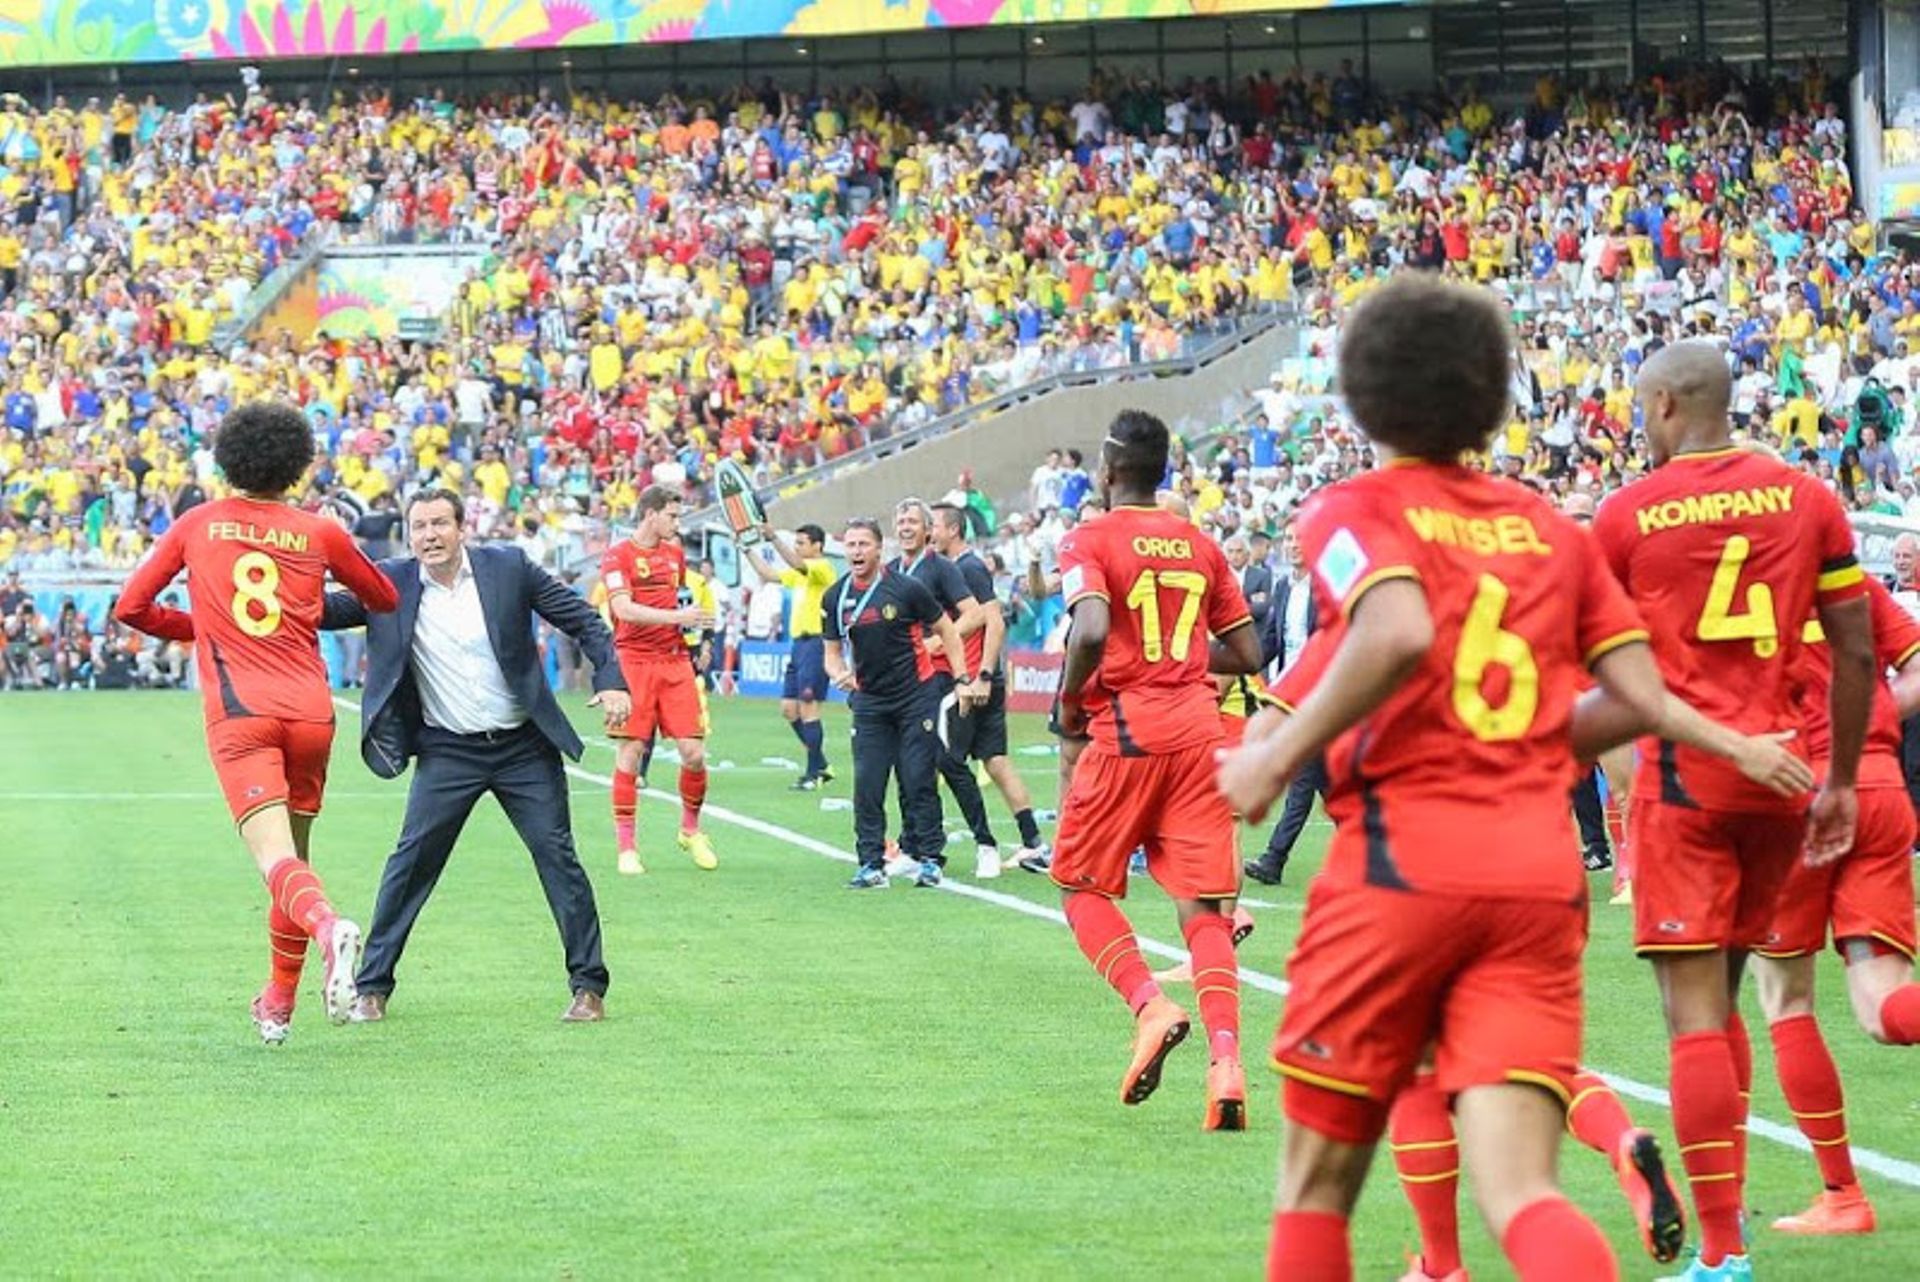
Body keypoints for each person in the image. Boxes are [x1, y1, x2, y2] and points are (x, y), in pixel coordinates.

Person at [1218, 277, 1720, 1281]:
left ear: (1358, 400)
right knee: (1523, 1191)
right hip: (1536, 878)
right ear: (1494, 400)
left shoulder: (1351, 506)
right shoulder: (1552, 529)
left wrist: (1273, 753)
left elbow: (1396, 626)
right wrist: (1532, 749)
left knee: (1315, 1186)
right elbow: (1638, 692)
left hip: (1402, 864)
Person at [1590, 341, 1876, 1282]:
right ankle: (1736, 1211)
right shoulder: (1808, 497)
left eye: (1639, 404)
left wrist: (1620, 764)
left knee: (1694, 1020)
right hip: (1786, 779)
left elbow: (1589, 661)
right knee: (1744, 994)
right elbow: (1856, 648)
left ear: (1666, 402)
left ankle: (1721, 1251)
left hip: (1688, 777)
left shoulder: (1629, 513)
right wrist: (1836, 777)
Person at [112, 400, 399, 1044]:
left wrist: (203, 628)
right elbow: (382, 597)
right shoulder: (319, 531)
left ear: (228, 458)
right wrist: (300, 611)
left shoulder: (198, 523)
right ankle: (277, 1005)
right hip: (311, 713)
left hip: (241, 712)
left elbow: (131, 606)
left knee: (276, 862)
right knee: (295, 857)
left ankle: (331, 930)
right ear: (295, 466)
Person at [321, 488, 631, 1025]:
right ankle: (371, 988)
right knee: (410, 862)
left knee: (558, 859)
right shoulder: (390, 581)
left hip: (522, 747)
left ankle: (589, 987)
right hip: (447, 749)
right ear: (408, 533)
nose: (429, 535)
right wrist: (298, 559)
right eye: (419, 526)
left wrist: (611, 679)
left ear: (463, 527)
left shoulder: (507, 568)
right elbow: (325, 609)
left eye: (440, 523)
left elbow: (585, 620)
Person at [1051, 408, 1263, 1131]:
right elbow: (1249, 652)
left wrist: (1069, 709)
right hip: (1201, 738)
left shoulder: (1088, 537)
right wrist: (1178, 660)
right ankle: (1227, 1064)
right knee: (1205, 912)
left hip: (1130, 733)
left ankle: (1151, 1005)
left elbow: (1088, 630)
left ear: (1107, 472)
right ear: (1163, 472)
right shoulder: (1201, 545)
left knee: (1079, 886)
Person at [1751, 577, 1920, 1234]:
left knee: (1785, 1000)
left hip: (1788, 792)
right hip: (1876, 783)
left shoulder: (1721, 578)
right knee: (1883, 1011)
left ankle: (1844, 1197)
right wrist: (1871, 718)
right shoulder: (1849, 580)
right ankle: (1841, 1200)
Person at [823, 517, 973, 890]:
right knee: (868, 783)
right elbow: (831, 653)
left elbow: (947, 630)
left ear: (879, 549)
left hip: (914, 698)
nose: (856, 552)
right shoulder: (835, 597)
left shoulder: (907, 589)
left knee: (918, 778)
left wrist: (962, 678)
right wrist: (839, 672)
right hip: (870, 703)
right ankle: (871, 863)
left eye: (863, 545)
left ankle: (931, 858)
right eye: (851, 545)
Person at [928, 501, 1051, 874]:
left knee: (941, 758)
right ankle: (1034, 843)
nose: (929, 531)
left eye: (932, 524)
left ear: (951, 529)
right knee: (994, 761)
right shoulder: (957, 567)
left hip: (975, 680)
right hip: (982, 678)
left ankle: (931, 842)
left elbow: (994, 622)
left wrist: (981, 674)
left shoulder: (967, 567)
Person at [602, 486, 719, 876]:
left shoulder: (674, 554)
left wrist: (697, 635)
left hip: (674, 663)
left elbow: (677, 603)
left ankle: (690, 829)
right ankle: (627, 848)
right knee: (631, 753)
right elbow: (623, 609)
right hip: (633, 663)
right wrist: (677, 620)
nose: (677, 522)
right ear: (650, 514)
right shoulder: (618, 555)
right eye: (672, 515)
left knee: (695, 753)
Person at [890, 497, 996, 884]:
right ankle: (912, 847)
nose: (906, 526)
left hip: (938, 676)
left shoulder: (943, 568)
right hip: (903, 680)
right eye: (900, 520)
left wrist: (937, 644)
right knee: (907, 763)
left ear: (928, 529)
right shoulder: (890, 571)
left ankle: (986, 844)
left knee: (947, 761)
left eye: (914, 521)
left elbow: (976, 613)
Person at [1243, 523, 1323, 887]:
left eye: (1299, 539)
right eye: (1289, 539)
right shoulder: (1283, 586)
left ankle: (1274, 859)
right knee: (1329, 784)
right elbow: (1273, 638)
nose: (1293, 545)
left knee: (1303, 781)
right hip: (1289, 696)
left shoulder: (1325, 590)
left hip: (1317, 697)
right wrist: (1244, 660)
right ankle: (1373, 852)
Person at [746, 522, 837, 788]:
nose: (797, 547)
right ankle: (820, 763)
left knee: (808, 705)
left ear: (817, 546)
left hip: (817, 644)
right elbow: (768, 573)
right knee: (789, 709)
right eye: (795, 542)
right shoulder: (803, 572)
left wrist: (774, 538)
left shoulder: (822, 567)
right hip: (799, 645)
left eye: (801, 542)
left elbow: (797, 564)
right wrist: (746, 549)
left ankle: (814, 774)